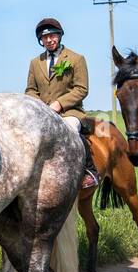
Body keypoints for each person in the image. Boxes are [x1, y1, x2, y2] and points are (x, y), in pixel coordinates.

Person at [24, 17, 98, 189]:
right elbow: (30, 90)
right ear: (40, 40)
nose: (49, 40)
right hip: (42, 112)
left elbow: (81, 89)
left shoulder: (76, 59)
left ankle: (89, 171)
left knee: (69, 130)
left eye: (52, 36)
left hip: (70, 112)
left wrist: (58, 104)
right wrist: (41, 107)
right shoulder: (35, 63)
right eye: (44, 38)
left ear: (60, 36)